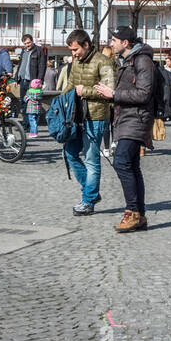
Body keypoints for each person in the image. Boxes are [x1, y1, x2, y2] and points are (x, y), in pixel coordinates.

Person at [93, 26, 156, 233]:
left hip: (137, 118)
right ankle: (140, 215)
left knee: (121, 162)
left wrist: (114, 94)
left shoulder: (142, 60)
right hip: (127, 118)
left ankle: (132, 212)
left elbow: (144, 94)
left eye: (114, 40)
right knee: (131, 165)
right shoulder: (128, 60)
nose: (111, 43)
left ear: (125, 43)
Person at [65, 28, 117, 216]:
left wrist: (83, 91)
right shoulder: (76, 61)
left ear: (86, 45)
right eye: (71, 50)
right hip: (76, 116)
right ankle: (92, 192)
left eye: (76, 50)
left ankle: (88, 201)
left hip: (95, 117)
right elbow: (70, 85)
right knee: (70, 154)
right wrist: (64, 101)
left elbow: (109, 91)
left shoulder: (103, 62)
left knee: (91, 160)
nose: (74, 54)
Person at [13, 33, 43, 98]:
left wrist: (39, 80)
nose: (27, 45)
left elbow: (42, 67)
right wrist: (16, 79)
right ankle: (22, 108)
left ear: (32, 41)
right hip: (22, 79)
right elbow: (20, 65)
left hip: (32, 81)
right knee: (23, 100)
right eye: (25, 43)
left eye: (28, 43)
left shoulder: (38, 50)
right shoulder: (23, 51)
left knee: (31, 100)